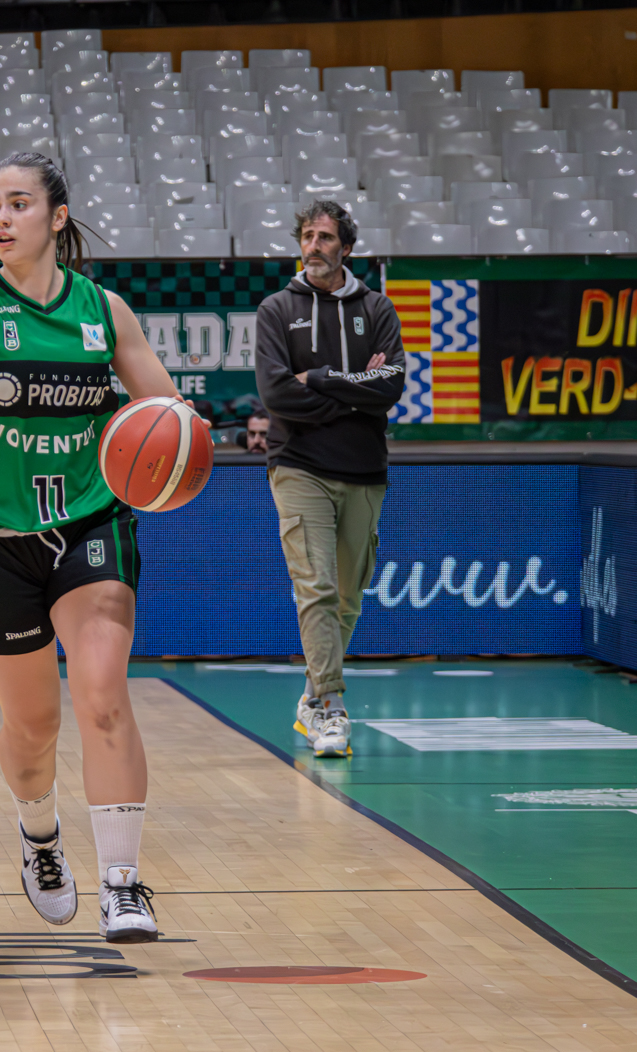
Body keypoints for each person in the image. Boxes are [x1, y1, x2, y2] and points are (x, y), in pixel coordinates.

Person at [0, 151, 203, 944]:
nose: (0, 218)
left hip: (91, 524)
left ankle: (124, 884)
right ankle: (39, 836)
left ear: (56, 218)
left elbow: (164, 410)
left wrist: (179, 436)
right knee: (33, 729)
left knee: (102, 696)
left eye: (18, 203)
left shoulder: (106, 311)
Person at [254, 199, 405, 759]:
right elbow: (276, 396)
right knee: (314, 587)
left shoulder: (378, 307)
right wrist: (352, 395)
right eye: (307, 236)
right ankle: (333, 707)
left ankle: (310, 697)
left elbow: (390, 385)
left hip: (365, 469)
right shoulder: (276, 309)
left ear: (346, 247)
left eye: (325, 237)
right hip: (298, 466)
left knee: (347, 597)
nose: (313, 246)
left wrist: (318, 378)